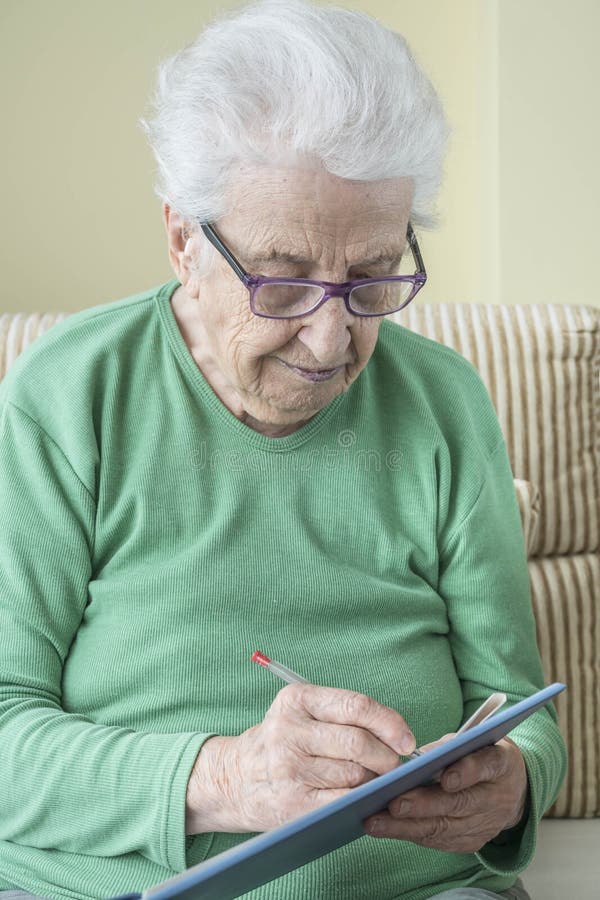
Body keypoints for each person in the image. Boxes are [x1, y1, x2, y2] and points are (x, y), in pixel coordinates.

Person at [0, 1, 566, 898]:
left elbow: (521, 712)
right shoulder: (68, 393)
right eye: (284, 280)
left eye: (372, 276)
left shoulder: (446, 402)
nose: (330, 340)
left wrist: (513, 786)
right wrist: (224, 777)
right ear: (184, 241)